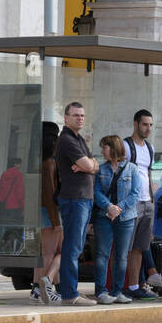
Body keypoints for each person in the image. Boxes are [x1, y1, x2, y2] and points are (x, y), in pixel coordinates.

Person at [53, 102, 99, 305]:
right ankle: (70, 294)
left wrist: (88, 166)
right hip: (74, 199)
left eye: (82, 115)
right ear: (66, 118)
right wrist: (88, 165)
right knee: (72, 247)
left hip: (84, 199)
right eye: (75, 115)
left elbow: (93, 164)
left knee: (77, 247)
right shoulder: (66, 139)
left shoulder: (78, 138)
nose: (80, 118)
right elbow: (90, 164)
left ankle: (71, 291)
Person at [92, 136, 139, 304]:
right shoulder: (100, 169)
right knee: (102, 254)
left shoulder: (132, 169)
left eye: (104, 147)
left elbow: (136, 193)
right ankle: (101, 291)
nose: (102, 151)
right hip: (104, 217)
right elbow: (95, 192)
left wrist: (118, 208)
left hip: (125, 217)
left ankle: (117, 291)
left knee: (121, 256)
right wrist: (109, 207)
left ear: (113, 148)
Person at [123, 109, 161, 299]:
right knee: (126, 247)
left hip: (147, 202)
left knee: (140, 246)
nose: (148, 128)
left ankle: (133, 286)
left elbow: (149, 173)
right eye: (145, 124)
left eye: (150, 125)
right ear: (135, 123)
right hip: (131, 202)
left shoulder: (150, 148)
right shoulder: (126, 146)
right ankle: (119, 285)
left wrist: (152, 199)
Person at [34, 123, 63, 305]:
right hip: (49, 212)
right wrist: (56, 220)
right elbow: (50, 193)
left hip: (44, 211)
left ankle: (39, 288)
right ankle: (42, 287)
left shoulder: (43, 161)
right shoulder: (49, 163)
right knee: (54, 253)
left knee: (47, 253)